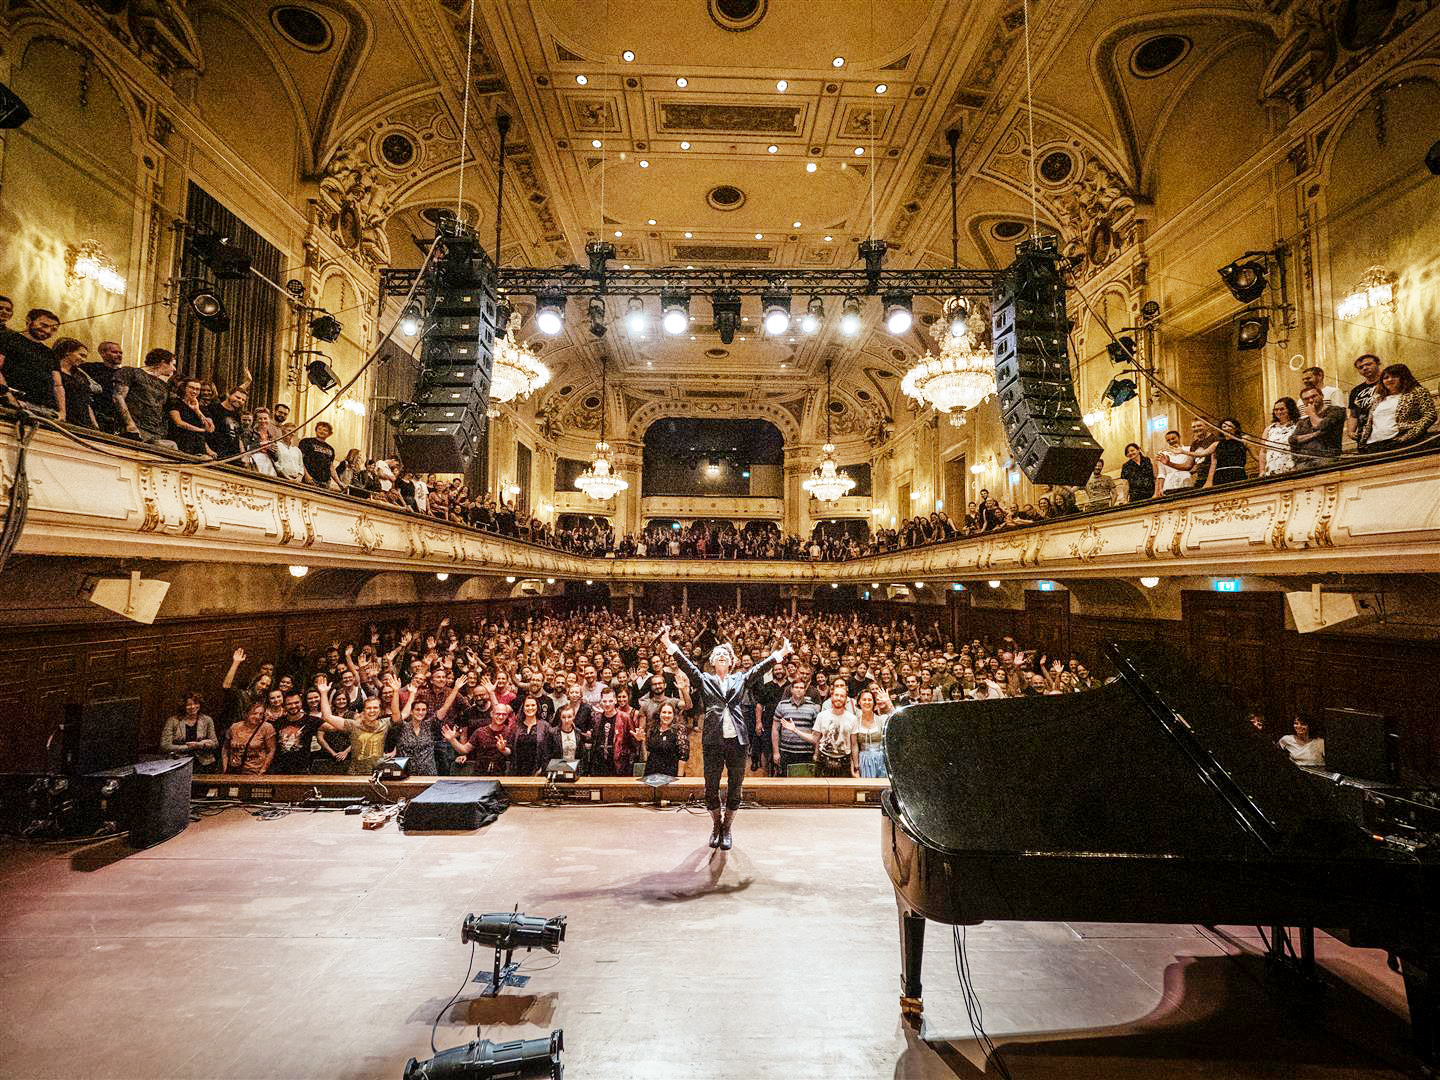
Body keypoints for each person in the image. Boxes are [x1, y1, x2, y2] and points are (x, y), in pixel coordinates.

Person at [660, 623, 791, 850]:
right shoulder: (705, 680)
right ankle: (715, 825)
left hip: (737, 741)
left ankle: (727, 827)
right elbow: (688, 666)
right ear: (712, 662)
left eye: (725, 654)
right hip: (712, 740)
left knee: (735, 787)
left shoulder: (740, 679)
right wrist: (668, 644)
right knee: (711, 787)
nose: (721, 656)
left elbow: (758, 669)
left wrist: (779, 654)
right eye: (717, 654)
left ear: (731, 662)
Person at [315, 674, 390, 775]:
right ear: (363, 711)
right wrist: (323, 694)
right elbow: (327, 716)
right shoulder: (354, 725)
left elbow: (401, 715)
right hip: (355, 773)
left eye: (375, 708)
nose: (372, 711)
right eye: (368, 708)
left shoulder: (385, 723)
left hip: (377, 772)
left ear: (380, 710)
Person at [1359, 363, 1436, 452]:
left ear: (1403, 377)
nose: (1390, 380)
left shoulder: (1417, 392)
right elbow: (1371, 423)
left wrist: (1408, 436)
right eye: (1386, 377)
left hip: (1403, 442)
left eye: (1394, 376)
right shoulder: (1378, 398)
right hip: (1374, 444)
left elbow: (1430, 415)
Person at [0, 307, 60, 410]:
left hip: (45, 409)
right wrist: (8, 395)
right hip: (14, 402)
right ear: (29, 320)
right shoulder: (7, 338)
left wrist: (62, 412)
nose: (47, 331)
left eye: (53, 329)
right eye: (44, 325)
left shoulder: (50, 353)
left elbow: (58, 385)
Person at [113, 348, 176, 443]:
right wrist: (129, 424)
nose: (174, 369)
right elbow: (118, 397)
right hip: (136, 427)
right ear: (163, 362)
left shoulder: (164, 385)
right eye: (173, 364)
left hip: (155, 432)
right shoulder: (131, 372)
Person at [159, 692, 218, 770]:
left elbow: (215, 743)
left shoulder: (207, 720)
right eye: (188, 705)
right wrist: (187, 747)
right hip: (178, 762)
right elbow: (165, 745)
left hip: (204, 763)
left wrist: (201, 745)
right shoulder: (173, 721)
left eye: (196, 703)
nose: (192, 707)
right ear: (183, 706)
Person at [1290, 386, 1345, 465]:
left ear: (1322, 396)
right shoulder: (1303, 421)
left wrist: (1312, 413)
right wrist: (1315, 434)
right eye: (1306, 399)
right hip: (1303, 462)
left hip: (1326, 459)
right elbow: (1292, 439)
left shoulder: (1336, 411)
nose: (1311, 400)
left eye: (1314, 396)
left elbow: (1319, 425)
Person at [813, 677, 857, 778]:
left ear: (846, 699)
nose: (839, 698)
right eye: (836, 695)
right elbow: (818, 738)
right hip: (823, 759)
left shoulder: (852, 718)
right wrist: (815, 754)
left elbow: (854, 745)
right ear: (831, 696)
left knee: (843, 793)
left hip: (844, 761)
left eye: (842, 696)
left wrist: (856, 766)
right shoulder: (822, 715)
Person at [50, 338, 98, 428]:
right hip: (62, 418)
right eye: (81, 355)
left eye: (85, 357)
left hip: (83, 421)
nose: (83, 360)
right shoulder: (53, 370)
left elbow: (86, 401)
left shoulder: (80, 376)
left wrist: (94, 424)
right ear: (67, 352)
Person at [80, 340, 126, 433]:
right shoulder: (90, 368)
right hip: (96, 413)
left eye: (120, 352)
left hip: (116, 417)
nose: (119, 355)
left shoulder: (125, 373)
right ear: (103, 353)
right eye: (114, 352)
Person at [222, 701, 276, 775]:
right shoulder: (234, 727)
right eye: (254, 713)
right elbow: (225, 748)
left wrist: (263, 770)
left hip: (255, 771)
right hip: (234, 769)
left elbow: (271, 750)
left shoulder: (266, 727)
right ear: (246, 714)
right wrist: (225, 767)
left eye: (261, 714)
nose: (258, 717)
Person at [167, 377, 213, 456]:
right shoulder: (175, 403)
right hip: (181, 442)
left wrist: (197, 410)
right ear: (184, 388)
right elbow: (179, 422)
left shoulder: (202, 408)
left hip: (198, 446)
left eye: (197, 389)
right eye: (192, 388)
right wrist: (199, 430)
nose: (194, 391)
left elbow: (210, 428)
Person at [1347, 354, 1384, 448]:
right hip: (1365, 438)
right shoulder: (1356, 391)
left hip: (1386, 433)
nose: (1365, 368)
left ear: (1378, 364)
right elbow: (1353, 414)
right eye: (1361, 367)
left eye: (1368, 364)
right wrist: (1350, 431)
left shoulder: (1388, 383)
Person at [641, 700, 685, 777]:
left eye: (669, 713)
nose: (666, 715)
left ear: (674, 715)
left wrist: (680, 779)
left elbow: (683, 756)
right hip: (651, 773)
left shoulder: (679, 729)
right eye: (664, 712)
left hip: (670, 774)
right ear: (659, 714)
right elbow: (649, 750)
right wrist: (642, 740)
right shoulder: (652, 729)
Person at [850, 689, 887, 778]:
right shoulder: (854, 721)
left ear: (874, 703)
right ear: (859, 702)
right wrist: (855, 767)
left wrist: (888, 703)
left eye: (870, 700)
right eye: (864, 699)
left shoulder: (882, 719)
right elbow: (854, 745)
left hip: (881, 759)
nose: (867, 702)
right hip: (864, 760)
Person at [205, 385, 248, 459]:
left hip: (233, 457)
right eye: (237, 397)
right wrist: (208, 450)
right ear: (228, 394)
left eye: (243, 400)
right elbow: (202, 432)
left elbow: (239, 437)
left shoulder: (237, 415)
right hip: (216, 455)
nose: (240, 400)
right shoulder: (212, 408)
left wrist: (243, 455)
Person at [1261, 398, 1300, 476]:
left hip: (1291, 467)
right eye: (1276, 410)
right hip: (1272, 470)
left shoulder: (1298, 425)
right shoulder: (1269, 429)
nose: (1279, 412)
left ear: (1290, 409)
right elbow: (1263, 452)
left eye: (1282, 409)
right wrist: (1262, 470)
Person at [1204, 419, 1247, 486]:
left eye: (1229, 426)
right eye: (1224, 427)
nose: (1226, 428)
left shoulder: (1243, 440)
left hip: (1237, 473)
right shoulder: (1217, 444)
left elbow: (1256, 456)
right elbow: (1203, 454)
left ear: (1235, 428)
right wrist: (1184, 451)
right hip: (1220, 475)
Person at [299, 422, 340, 488]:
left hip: (325, 482)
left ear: (329, 434)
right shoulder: (306, 442)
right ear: (316, 430)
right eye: (319, 429)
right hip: (310, 480)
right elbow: (300, 460)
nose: (322, 431)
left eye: (325, 430)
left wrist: (339, 482)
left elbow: (331, 467)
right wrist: (306, 476)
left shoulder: (330, 449)